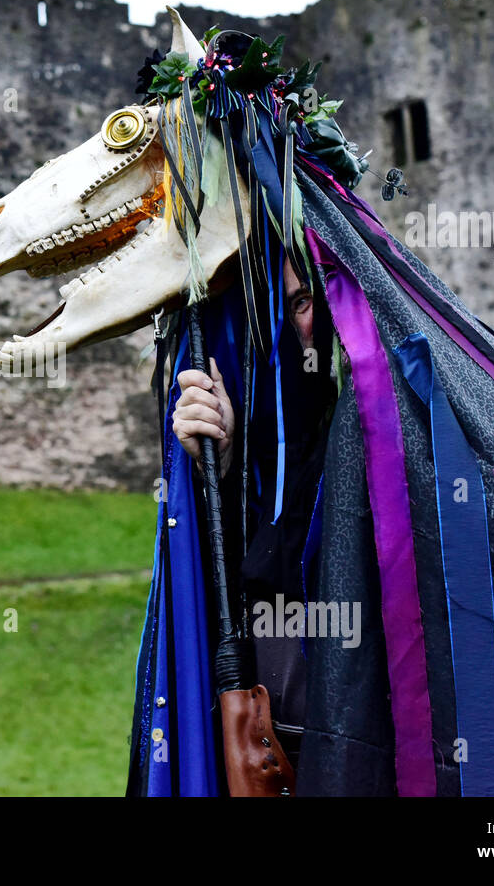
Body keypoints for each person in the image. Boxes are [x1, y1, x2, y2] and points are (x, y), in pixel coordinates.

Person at [169, 256, 336, 771]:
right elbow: (261, 543)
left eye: (307, 299)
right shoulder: (278, 405)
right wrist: (223, 455)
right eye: (288, 305)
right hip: (280, 720)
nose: (300, 322)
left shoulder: (399, 411)